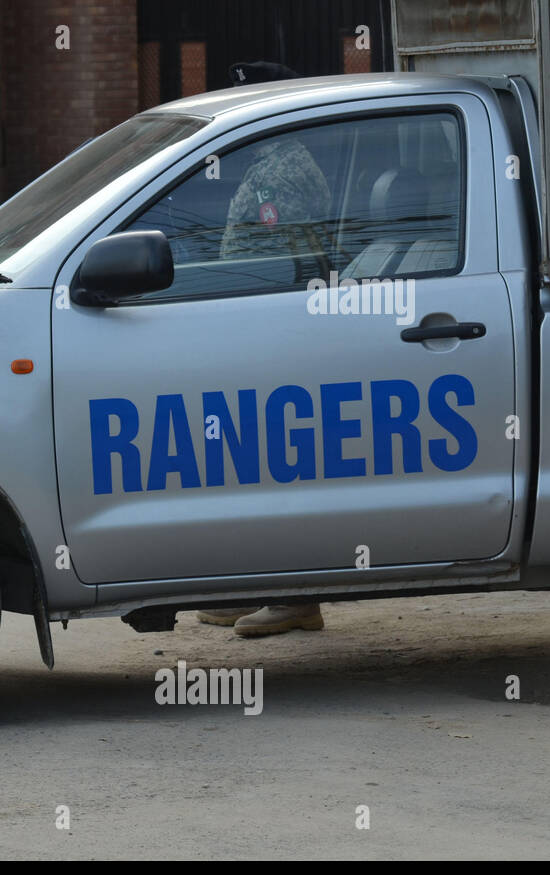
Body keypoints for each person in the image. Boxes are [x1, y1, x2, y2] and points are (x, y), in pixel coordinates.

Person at [200, 61, 327, 638]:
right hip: (264, 326)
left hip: (277, 330)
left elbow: (276, 261)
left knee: (282, 468)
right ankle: (257, 587)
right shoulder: (271, 162)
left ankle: (296, 598)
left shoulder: (281, 171)